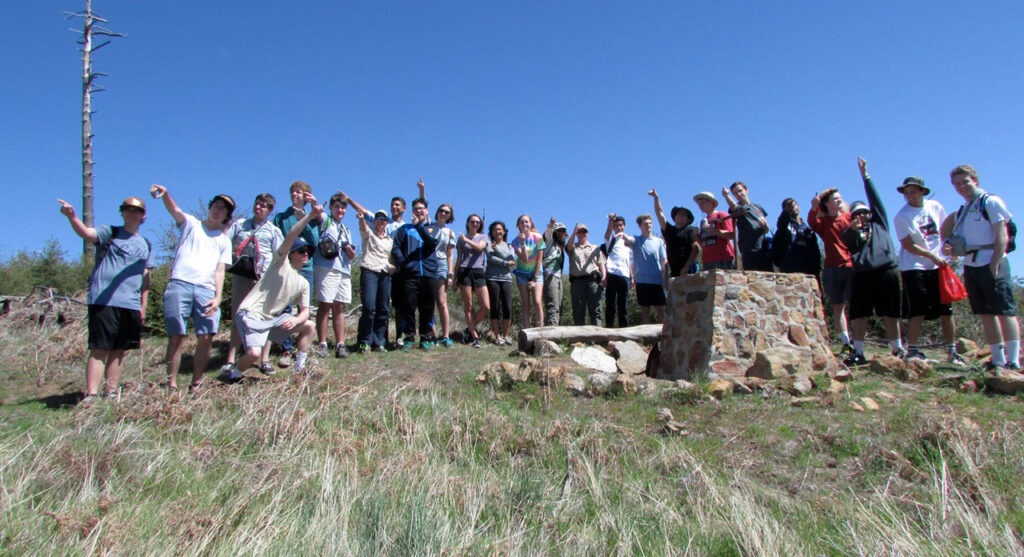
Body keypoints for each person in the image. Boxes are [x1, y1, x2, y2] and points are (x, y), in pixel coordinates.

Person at [58, 196, 152, 403]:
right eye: (128, 209)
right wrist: (72, 217)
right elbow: (86, 233)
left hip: (130, 304)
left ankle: (110, 392)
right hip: (104, 300)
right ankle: (91, 394)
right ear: (122, 212)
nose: (132, 213)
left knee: (120, 350)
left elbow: (145, 277)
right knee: (100, 348)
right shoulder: (110, 232)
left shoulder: (145, 244)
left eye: (136, 210)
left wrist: (143, 307)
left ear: (143, 215)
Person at [219, 194, 320, 382]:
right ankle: (233, 374)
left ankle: (299, 370)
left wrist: (296, 319)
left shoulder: (303, 283)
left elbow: (305, 311)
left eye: (308, 252)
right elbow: (291, 235)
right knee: (253, 354)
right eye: (301, 251)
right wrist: (310, 216)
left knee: (308, 325)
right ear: (291, 254)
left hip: (269, 321)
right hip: (250, 314)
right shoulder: (279, 264)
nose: (305, 254)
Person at [149, 184, 233, 391]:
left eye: (223, 208)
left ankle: (196, 383)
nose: (217, 209)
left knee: (206, 337)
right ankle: (172, 384)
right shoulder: (191, 225)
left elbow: (220, 270)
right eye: (216, 205)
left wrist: (218, 296)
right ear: (210, 207)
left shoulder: (224, 241)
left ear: (226, 217)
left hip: (206, 290)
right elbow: (175, 210)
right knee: (176, 336)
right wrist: (166, 194)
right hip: (180, 284)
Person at [942, 164, 1020, 370]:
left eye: (965, 182)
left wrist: (995, 262)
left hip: (991, 261)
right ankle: (997, 360)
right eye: (957, 184)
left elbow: (1001, 233)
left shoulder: (991, 202)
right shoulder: (962, 211)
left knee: (1004, 310)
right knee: (985, 313)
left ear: (975, 180)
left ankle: (1012, 360)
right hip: (971, 264)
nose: (962, 186)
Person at [892, 177, 964, 364]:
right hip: (914, 266)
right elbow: (908, 244)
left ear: (922, 191)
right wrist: (931, 256)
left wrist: (950, 249)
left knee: (946, 310)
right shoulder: (902, 216)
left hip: (939, 265)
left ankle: (952, 351)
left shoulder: (935, 207)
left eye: (914, 191)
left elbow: (946, 231)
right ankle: (913, 351)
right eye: (907, 192)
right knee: (917, 309)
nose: (910, 196)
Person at [840, 158, 904, 366]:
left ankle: (897, 347)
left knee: (891, 311)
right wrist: (852, 230)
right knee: (859, 314)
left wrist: (865, 177)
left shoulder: (880, 224)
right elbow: (846, 242)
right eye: (856, 214)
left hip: (886, 271)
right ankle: (858, 351)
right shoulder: (851, 234)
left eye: (864, 212)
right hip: (862, 275)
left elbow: (875, 200)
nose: (862, 216)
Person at [222, 194, 284, 376]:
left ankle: (264, 360)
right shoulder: (240, 225)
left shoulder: (273, 231)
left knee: (264, 318)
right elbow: (225, 241)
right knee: (238, 316)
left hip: (262, 279)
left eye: (264, 206)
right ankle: (230, 360)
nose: (259, 208)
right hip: (241, 275)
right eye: (257, 204)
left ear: (270, 210)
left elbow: (280, 255)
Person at [271, 180, 320, 368]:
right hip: (286, 266)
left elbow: (314, 240)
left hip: (306, 268)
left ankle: (302, 352)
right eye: (293, 191)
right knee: (284, 307)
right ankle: (285, 348)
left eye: (299, 192)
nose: (295, 194)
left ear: (306, 196)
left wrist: (307, 218)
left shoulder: (313, 217)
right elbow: (278, 241)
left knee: (303, 309)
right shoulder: (281, 217)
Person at [342, 193, 394, 354]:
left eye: (383, 219)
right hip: (369, 271)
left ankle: (379, 342)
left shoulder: (390, 240)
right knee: (369, 307)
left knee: (383, 308)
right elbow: (363, 227)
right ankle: (364, 341)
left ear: (386, 222)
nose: (380, 221)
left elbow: (391, 257)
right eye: (378, 218)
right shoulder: (369, 234)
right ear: (375, 220)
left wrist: (393, 267)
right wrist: (360, 218)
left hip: (384, 274)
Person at [808, 187, 855, 354]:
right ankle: (846, 342)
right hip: (831, 268)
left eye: (840, 198)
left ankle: (858, 341)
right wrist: (815, 206)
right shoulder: (824, 223)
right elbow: (813, 222)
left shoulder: (848, 219)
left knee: (854, 305)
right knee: (838, 306)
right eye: (835, 199)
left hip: (850, 266)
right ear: (827, 204)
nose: (839, 200)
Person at [391, 197, 440, 351]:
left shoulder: (434, 228)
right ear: (412, 211)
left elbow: (431, 243)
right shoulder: (404, 229)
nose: (419, 211)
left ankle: (425, 338)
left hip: (429, 273)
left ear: (426, 211)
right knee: (409, 307)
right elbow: (396, 247)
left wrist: (419, 226)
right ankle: (409, 338)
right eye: (416, 209)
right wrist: (403, 262)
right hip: (410, 274)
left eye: (422, 208)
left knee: (427, 307)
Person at [312, 192, 357, 358]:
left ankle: (340, 344)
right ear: (331, 207)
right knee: (325, 305)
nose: (340, 210)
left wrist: (350, 252)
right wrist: (314, 203)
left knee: (339, 307)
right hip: (326, 268)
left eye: (343, 207)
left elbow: (352, 256)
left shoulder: (346, 229)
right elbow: (317, 212)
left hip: (344, 270)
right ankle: (322, 343)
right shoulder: (326, 221)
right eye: (337, 206)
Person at [624, 214, 668, 324]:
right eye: (645, 223)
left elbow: (664, 261)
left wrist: (666, 278)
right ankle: (647, 339)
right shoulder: (637, 240)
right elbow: (628, 239)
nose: (648, 225)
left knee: (661, 310)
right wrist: (621, 234)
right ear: (640, 226)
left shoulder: (658, 242)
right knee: (645, 310)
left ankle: (662, 337)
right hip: (642, 281)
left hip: (657, 280)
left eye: (650, 223)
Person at [456, 213, 490, 348]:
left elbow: (480, 248)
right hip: (464, 272)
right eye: (472, 221)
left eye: (477, 222)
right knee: (468, 306)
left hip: (479, 272)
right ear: (468, 223)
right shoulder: (461, 240)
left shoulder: (483, 237)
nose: (475, 224)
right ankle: (475, 337)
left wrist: (466, 239)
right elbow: (459, 259)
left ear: (480, 224)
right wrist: (454, 278)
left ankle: (469, 329)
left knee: (486, 306)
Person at [721, 181, 772, 271]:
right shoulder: (739, 208)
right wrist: (726, 196)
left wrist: (765, 226)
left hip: (763, 247)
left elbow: (766, 228)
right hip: (749, 248)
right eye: (735, 193)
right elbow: (733, 206)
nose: (739, 194)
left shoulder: (758, 207)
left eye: (740, 191)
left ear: (746, 190)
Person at [650, 188, 700, 277]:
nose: (681, 216)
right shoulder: (669, 230)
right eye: (679, 214)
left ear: (688, 219)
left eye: (684, 215)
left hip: (690, 269)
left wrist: (686, 266)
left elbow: (696, 248)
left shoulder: (690, 230)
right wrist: (656, 197)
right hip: (674, 271)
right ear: (674, 217)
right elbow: (659, 213)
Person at [565, 223, 606, 326]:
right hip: (577, 282)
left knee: (595, 309)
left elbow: (601, 264)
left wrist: (604, 277)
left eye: (584, 231)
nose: (582, 234)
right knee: (578, 310)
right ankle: (579, 339)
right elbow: (568, 247)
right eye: (579, 232)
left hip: (593, 281)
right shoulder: (573, 247)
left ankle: (598, 336)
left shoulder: (595, 248)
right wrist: (574, 232)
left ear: (587, 233)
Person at [428, 202, 457, 347]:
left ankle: (445, 336)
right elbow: (423, 206)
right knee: (428, 302)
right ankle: (431, 334)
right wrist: (422, 190)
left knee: (441, 301)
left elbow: (450, 255)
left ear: (450, 215)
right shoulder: (428, 226)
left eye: (446, 212)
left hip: (441, 266)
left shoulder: (450, 233)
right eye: (441, 211)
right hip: (427, 265)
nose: (443, 213)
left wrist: (450, 274)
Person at [510, 214, 546, 328]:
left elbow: (540, 258)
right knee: (526, 303)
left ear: (530, 223)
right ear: (518, 225)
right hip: (522, 274)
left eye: (526, 222)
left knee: (537, 301)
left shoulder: (538, 238)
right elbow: (524, 259)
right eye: (522, 222)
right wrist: (522, 243)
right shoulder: (515, 242)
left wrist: (535, 278)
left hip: (537, 273)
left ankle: (540, 330)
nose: (524, 224)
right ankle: (527, 331)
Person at [772, 198, 822, 278]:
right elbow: (781, 224)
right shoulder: (785, 226)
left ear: (799, 207)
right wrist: (785, 212)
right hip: (789, 269)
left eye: (794, 205)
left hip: (808, 271)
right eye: (789, 206)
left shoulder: (807, 229)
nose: (792, 207)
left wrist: (816, 269)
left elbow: (815, 251)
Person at [485, 221, 516, 345]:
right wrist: (505, 263)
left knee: (507, 307)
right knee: (495, 307)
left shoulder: (509, 246)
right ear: (491, 233)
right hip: (492, 278)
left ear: (504, 231)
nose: (498, 231)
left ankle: (506, 335)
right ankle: (497, 336)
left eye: (500, 229)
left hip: (507, 279)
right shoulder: (488, 244)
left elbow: (511, 259)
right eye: (495, 230)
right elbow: (490, 258)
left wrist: (497, 250)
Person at [603, 214, 634, 327]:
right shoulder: (610, 240)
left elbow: (629, 260)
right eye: (616, 226)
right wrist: (610, 221)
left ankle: (624, 330)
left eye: (621, 225)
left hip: (624, 275)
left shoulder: (628, 241)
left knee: (623, 305)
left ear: (624, 226)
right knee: (610, 304)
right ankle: (609, 331)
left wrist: (632, 276)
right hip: (611, 274)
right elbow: (607, 233)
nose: (619, 228)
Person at [694, 191, 735, 270]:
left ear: (712, 203)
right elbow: (703, 243)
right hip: (707, 260)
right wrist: (696, 236)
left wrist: (713, 230)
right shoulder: (703, 221)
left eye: (704, 201)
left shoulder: (721, 215)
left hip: (723, 258)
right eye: (699, 202)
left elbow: (731, 235)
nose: (701, 204)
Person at [541, 218, 568, 325]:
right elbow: (547, 235)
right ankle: (551, 331)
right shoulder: (549, 242)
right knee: (552, 304)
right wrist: (550, 226)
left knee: (559, 305)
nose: (562, 233)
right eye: (560, 231)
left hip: (558, 276)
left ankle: (557, 331)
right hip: (549, 274)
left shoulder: (560, 247)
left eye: (564, 231)